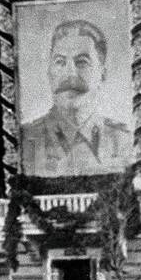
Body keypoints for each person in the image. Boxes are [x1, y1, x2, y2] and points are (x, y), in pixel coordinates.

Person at [20, 19, 132, 177]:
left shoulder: (126, 142)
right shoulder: (22, 141)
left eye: (82, 62)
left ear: (103, 74)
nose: (70, 73)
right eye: (60, 62)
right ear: (49, 72)